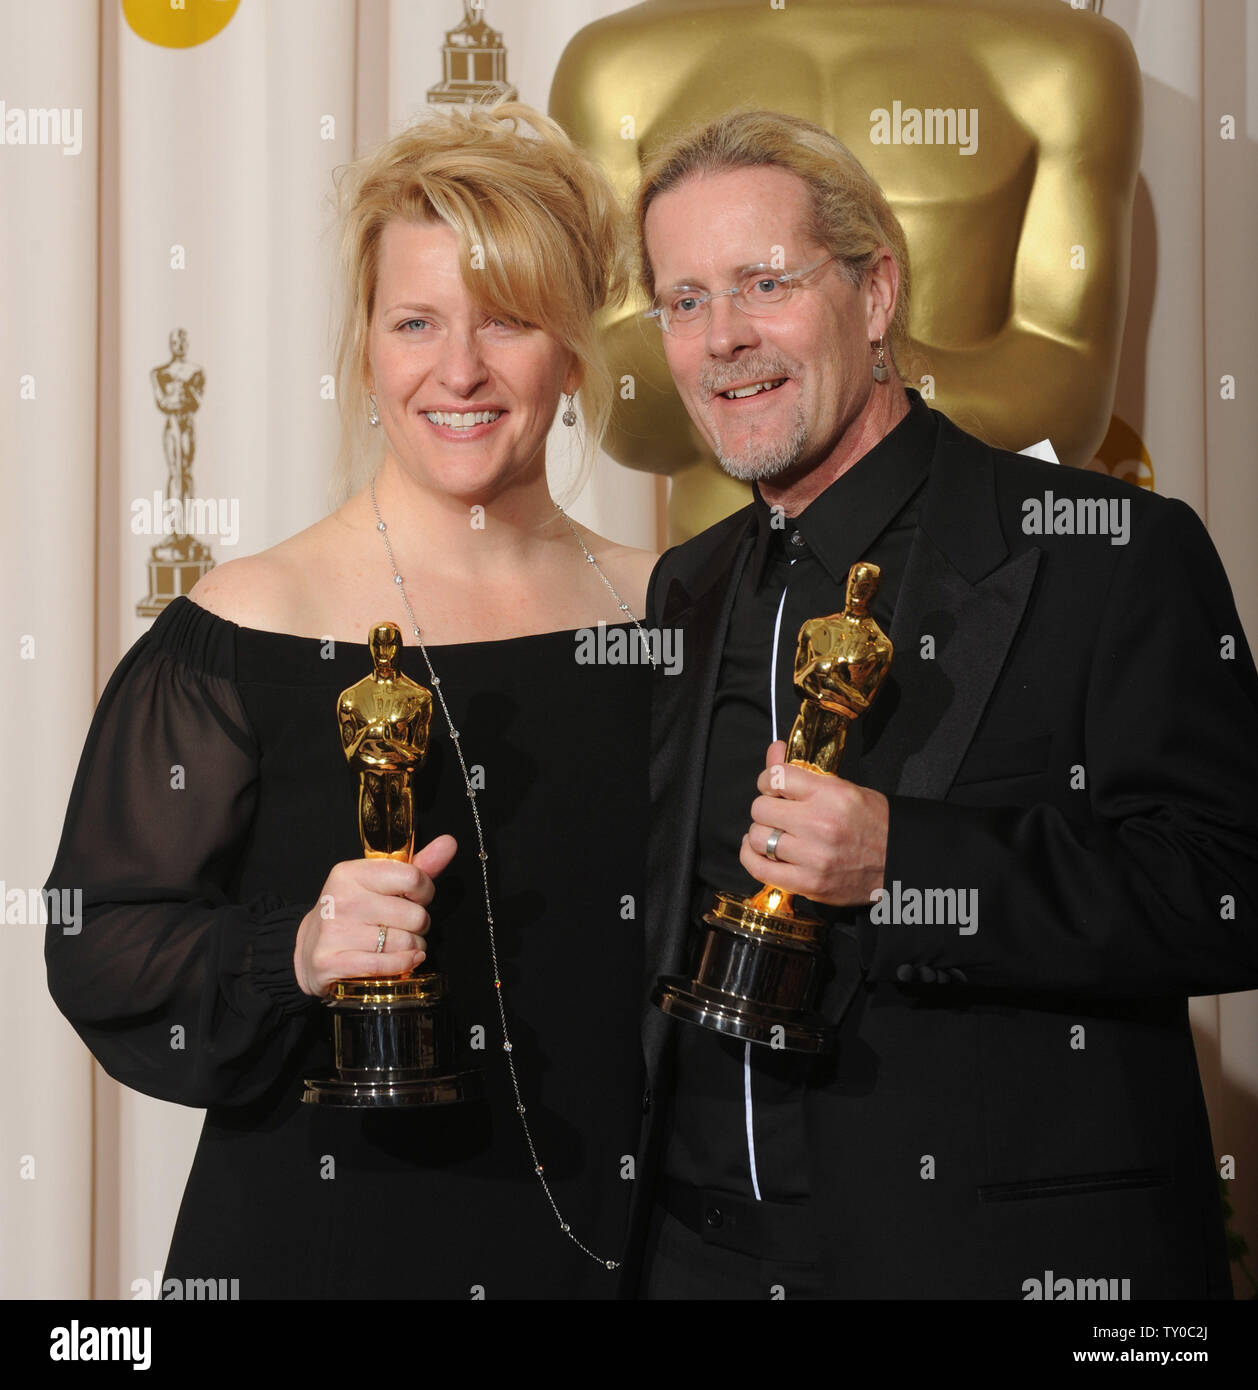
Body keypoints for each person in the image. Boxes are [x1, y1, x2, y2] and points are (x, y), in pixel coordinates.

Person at [628, 109, 1258, 1299]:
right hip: (694, 1262)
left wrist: (903, 861)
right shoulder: (688, 585)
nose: (723, 338)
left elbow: (1228, 884)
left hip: (987, 1267)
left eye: (764, 283)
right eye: (684, 299)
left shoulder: (1108, 549)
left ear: (876, 296)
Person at [44, 101, 656, 1300]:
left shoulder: (670, 613)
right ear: (366, 347)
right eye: (416, 321)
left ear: (575, 350)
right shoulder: (247, 621)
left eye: (511, 322)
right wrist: (298, 949)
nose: (460, 369)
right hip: (320, 1248)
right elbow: (97, 942)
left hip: (621, 1250)